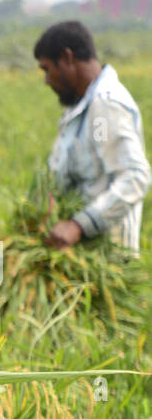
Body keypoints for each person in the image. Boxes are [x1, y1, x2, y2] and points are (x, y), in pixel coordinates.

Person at [33, 20, 150, 253]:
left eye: (47, 69)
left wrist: (79, 225)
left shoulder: (104, 105)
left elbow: (134, 176)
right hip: (78, 254)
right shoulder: (80, 107)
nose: (46, 80)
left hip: (106, 257)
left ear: (67, 58)